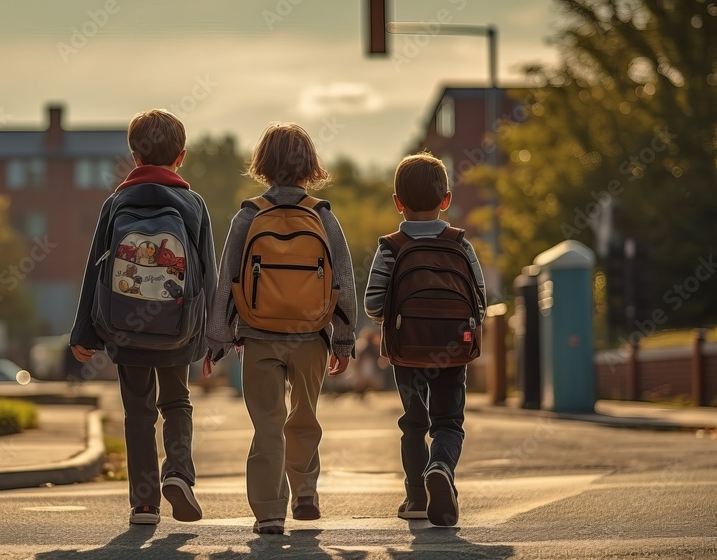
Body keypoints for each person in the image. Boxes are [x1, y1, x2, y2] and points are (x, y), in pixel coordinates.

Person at [205, 122, 357, 535]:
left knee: (268, 425)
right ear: (311, 166)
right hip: (312, 337)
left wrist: (217, 339)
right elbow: (343, 279)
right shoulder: (322, 216)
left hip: (257, 336)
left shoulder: (248, 215)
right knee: (304, 417)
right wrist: (344, 339)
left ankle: (270, 512)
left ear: (263, 165)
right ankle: (305, 492)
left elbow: (226, 279)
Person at [70, 109, 217, 526]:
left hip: (125, 326)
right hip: (179, 324)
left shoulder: (116, 203)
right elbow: (207, 270)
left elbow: (94, 270)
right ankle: (179, 474)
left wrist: (84, 331)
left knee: (138, 412)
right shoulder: (192, 204)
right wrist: (215, 335)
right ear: (181, 157)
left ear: (134, 157)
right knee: (177, 403)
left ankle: (145, 504)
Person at [364, 152, 486, 527]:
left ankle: (416, 498)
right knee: (448, 422)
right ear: (445, 199)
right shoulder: (460, 244)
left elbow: (372, 304)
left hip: (408, 352)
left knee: (414, 423)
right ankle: (442, 467)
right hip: (452, 351)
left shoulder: (390, 246)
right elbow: (479, 302)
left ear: (398, 203)